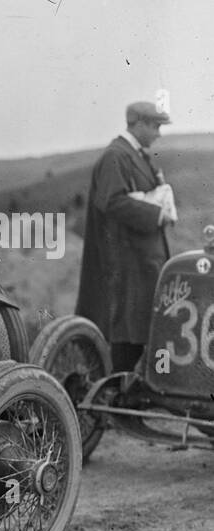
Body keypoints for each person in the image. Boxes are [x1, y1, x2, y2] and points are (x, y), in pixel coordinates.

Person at [76, 101, 175, 372]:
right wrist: (157, 213)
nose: (158, 133)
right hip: (127, 265)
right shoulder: (117, 156)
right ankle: (114, 402)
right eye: (154, 126)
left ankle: (123, 402)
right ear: (138, 123)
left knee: (137, 335)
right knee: (127, 337)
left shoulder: (135, 155)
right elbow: (113, 201)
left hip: (140, 262)